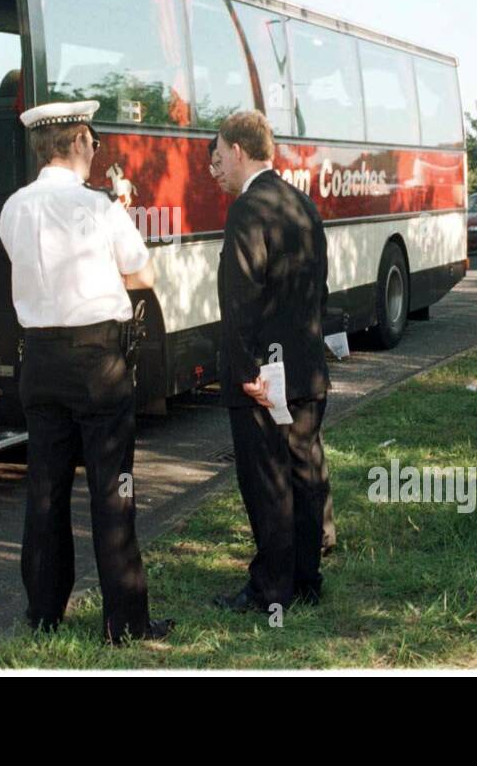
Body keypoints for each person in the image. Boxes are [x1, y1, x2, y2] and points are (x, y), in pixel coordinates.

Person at [0, 100, 173, 645]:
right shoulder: (100, 208)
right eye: (94, 143)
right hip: (99, 359)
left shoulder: (13, 208)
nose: (97, 152)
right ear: (77, 143)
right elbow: (142, 273)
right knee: (112, 490)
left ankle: (45, 613)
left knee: (45, 488)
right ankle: (125, 622)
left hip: (40, 360)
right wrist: (117, 210)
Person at [210, 111, 332, 613]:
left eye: (217, 156)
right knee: (304, 474)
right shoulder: (302, 203)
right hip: (306, 368)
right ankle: (305, 580)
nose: (214, 167)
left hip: (264, 377)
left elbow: (239, 304)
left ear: (239, 151)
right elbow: (317, 290)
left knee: (267, 483)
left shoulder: (246, 211)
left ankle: (269, 590)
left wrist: (247, 377)